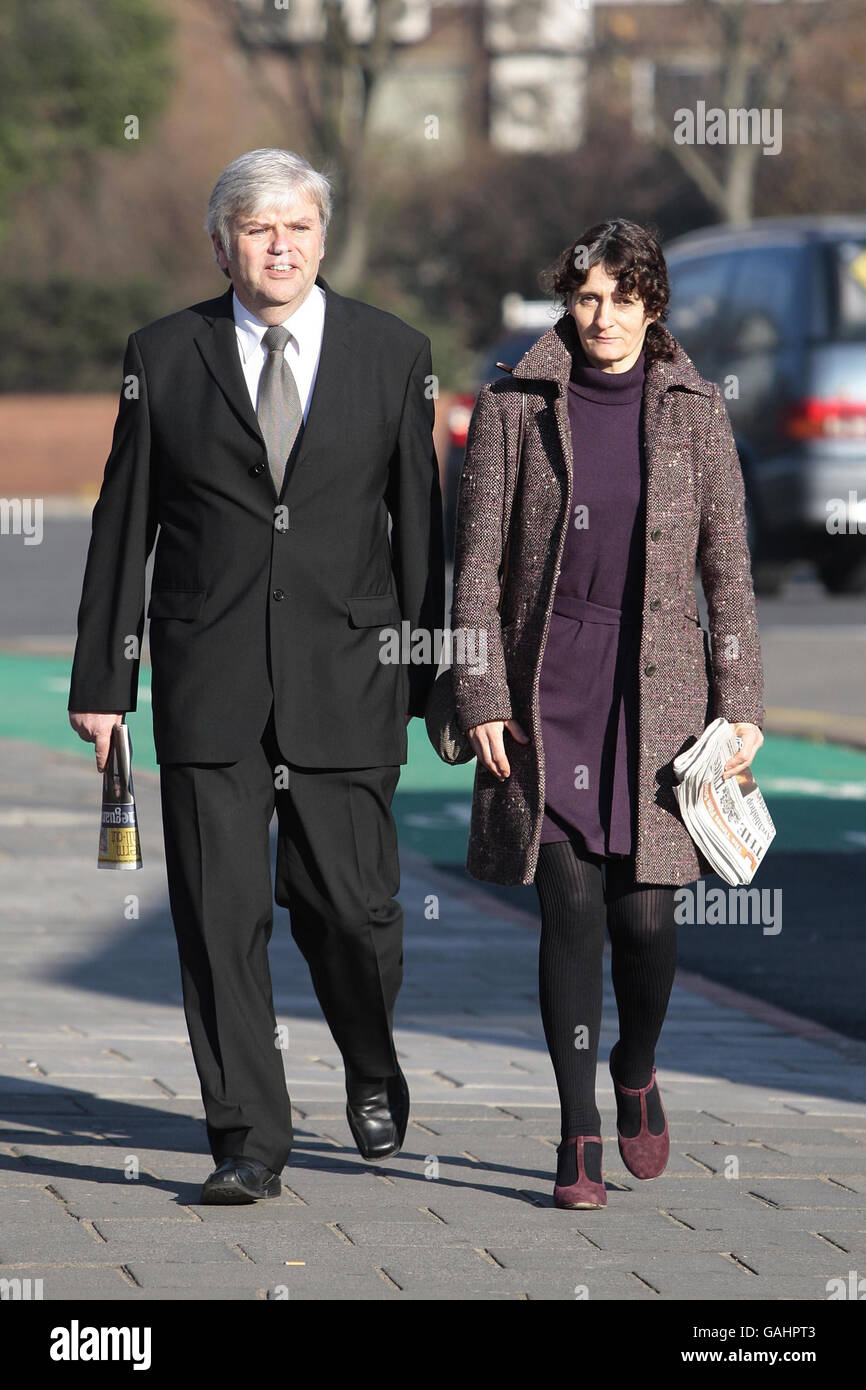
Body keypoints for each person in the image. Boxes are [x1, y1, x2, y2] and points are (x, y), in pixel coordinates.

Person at [68, 148, 444, 1204]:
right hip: (208, 679)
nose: (278, 245)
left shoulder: (390, 351)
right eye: (255, 227)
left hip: (350, 679)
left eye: (296, 226)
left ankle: (370, 1059)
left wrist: (435, 681)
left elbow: (422, 534)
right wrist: (106, 680)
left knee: (353, 912)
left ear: (323, 238)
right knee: (217, 914)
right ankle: (246, 1136)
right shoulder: (164, 352)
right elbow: (122, 524)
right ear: (223, 243)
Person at [450, 219, 764, 1209]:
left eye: (621, 300)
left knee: (643, 921)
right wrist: (480, 694)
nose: (602, 318)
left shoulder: (696, 410)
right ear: (566, 299)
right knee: (568, 912)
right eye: (585, 296)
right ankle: (575, 1132)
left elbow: (728, 572)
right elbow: (477, 570)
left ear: (652, 306)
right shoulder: (511, 405)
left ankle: (635, 1066)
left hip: (658, 684)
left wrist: (739, 701)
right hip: (548, 683)